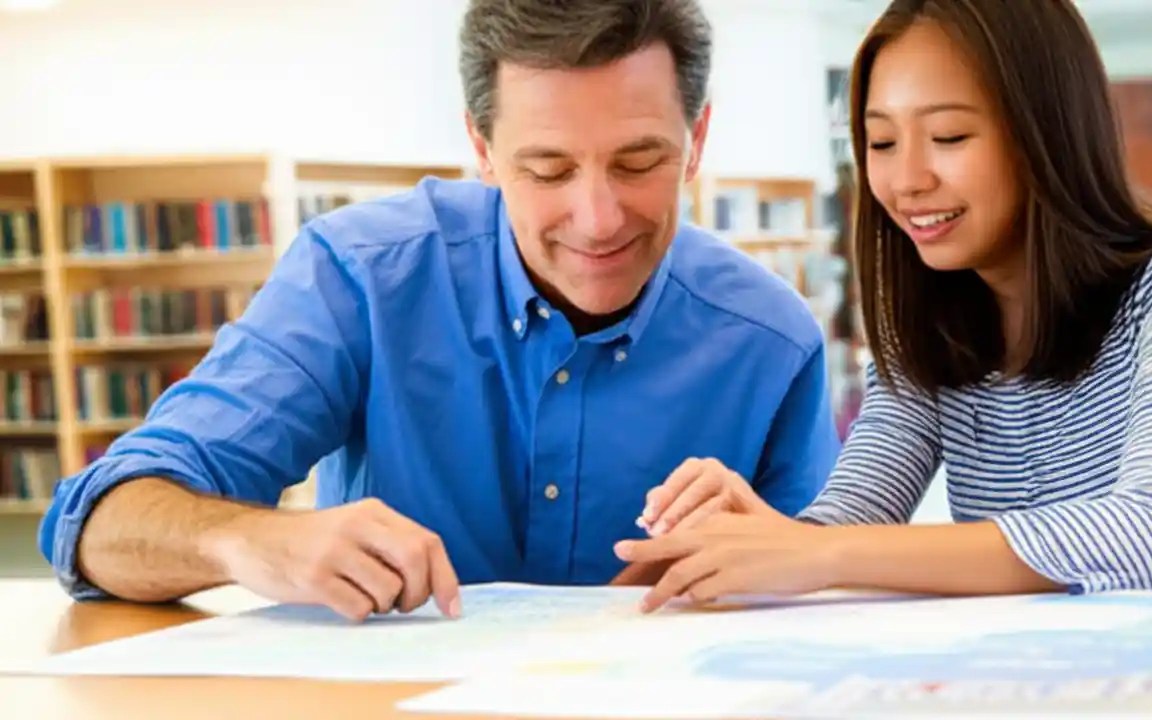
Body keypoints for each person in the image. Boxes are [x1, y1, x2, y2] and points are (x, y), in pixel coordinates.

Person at [38, 0, 840, 622]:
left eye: (638, 162)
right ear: (481, 147)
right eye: (547, 169)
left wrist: (776, 557)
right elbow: (98, 522)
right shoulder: (359, 279)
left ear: (696, 139)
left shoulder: (772, 341)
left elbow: (823, 599)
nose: (598, 218)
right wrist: (253, 540)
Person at [618, 0, 1152, 612]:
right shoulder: (932, 323)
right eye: (880, 143)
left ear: (1046, 132)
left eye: (950, 137)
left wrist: (812, 552)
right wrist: (753, 538)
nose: (906, 181)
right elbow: (853, 519)